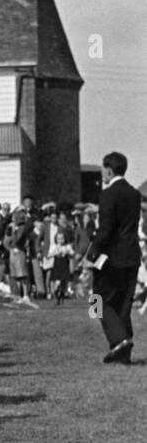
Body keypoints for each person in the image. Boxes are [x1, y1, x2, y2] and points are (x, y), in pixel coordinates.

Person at [88, 151, 142, 365]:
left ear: (109, 170)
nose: (102, 173)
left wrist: (91, 254)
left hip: (112, 257)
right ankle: (123, 352)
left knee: (98, 300)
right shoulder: (134, 194)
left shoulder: (108, 194)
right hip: (132, 255)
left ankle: (119, 341)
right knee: (123, 305)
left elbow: (106, 229)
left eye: (103, 169)